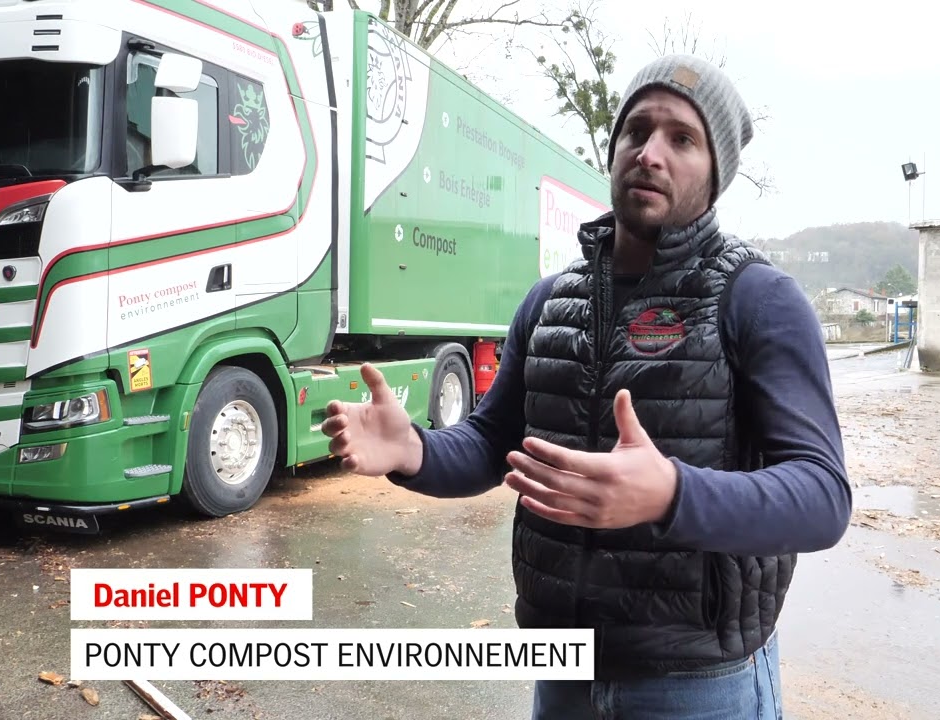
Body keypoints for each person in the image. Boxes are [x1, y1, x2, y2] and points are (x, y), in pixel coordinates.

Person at [321, 53, 852, 719]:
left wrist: (672, 493)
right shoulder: (549, 301)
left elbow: (821, 496)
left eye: (681, 138)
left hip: (697, 682)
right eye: (636, 132)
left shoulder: (757, 299)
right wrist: (416, 452)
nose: (651, 152)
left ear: (715, 173)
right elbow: (493, 443)